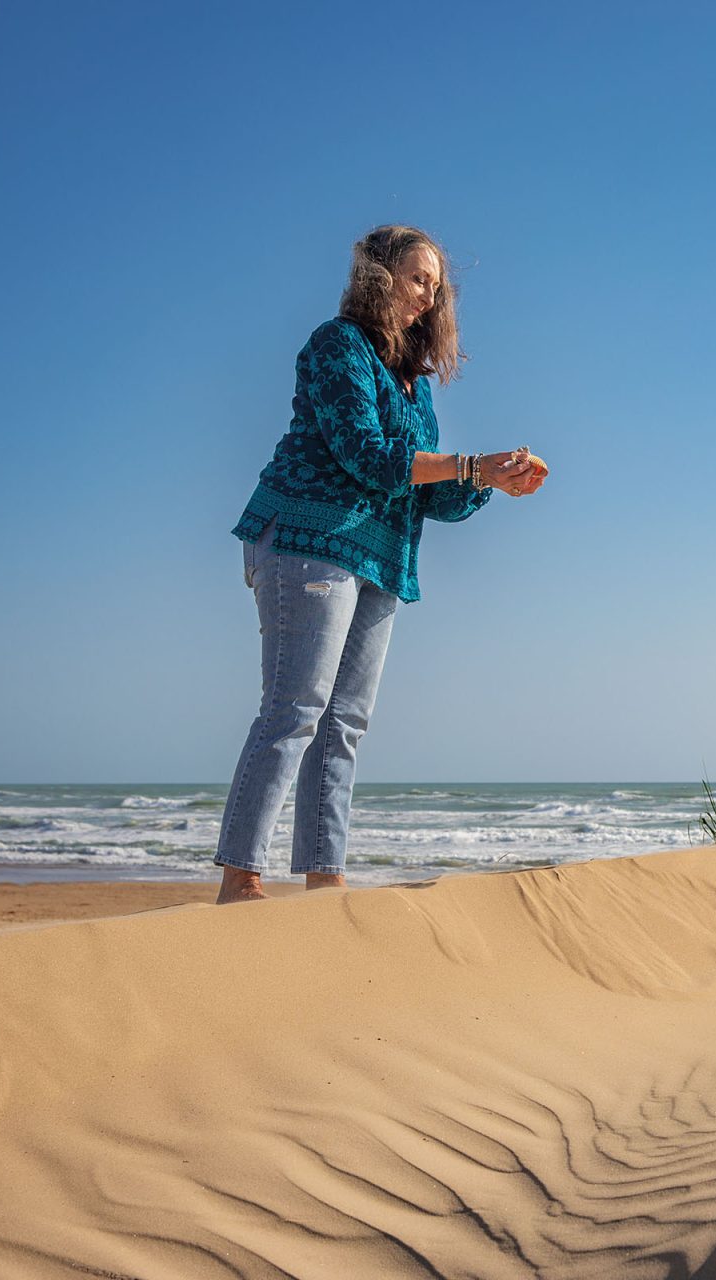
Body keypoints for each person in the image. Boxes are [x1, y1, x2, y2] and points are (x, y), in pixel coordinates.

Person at [213, 224, 545, 905]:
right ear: (378, 275)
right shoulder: (339, 346)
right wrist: (469, 464)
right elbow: (367, 456)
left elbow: (427, 493)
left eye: (437, 285)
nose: (429, 295)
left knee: (344, 725)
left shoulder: (414, 384)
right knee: (295, 710)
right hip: (310, 540)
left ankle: (324, 880)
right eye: (418, 278)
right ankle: (241, 879)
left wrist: (489, 481)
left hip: (379, 559)